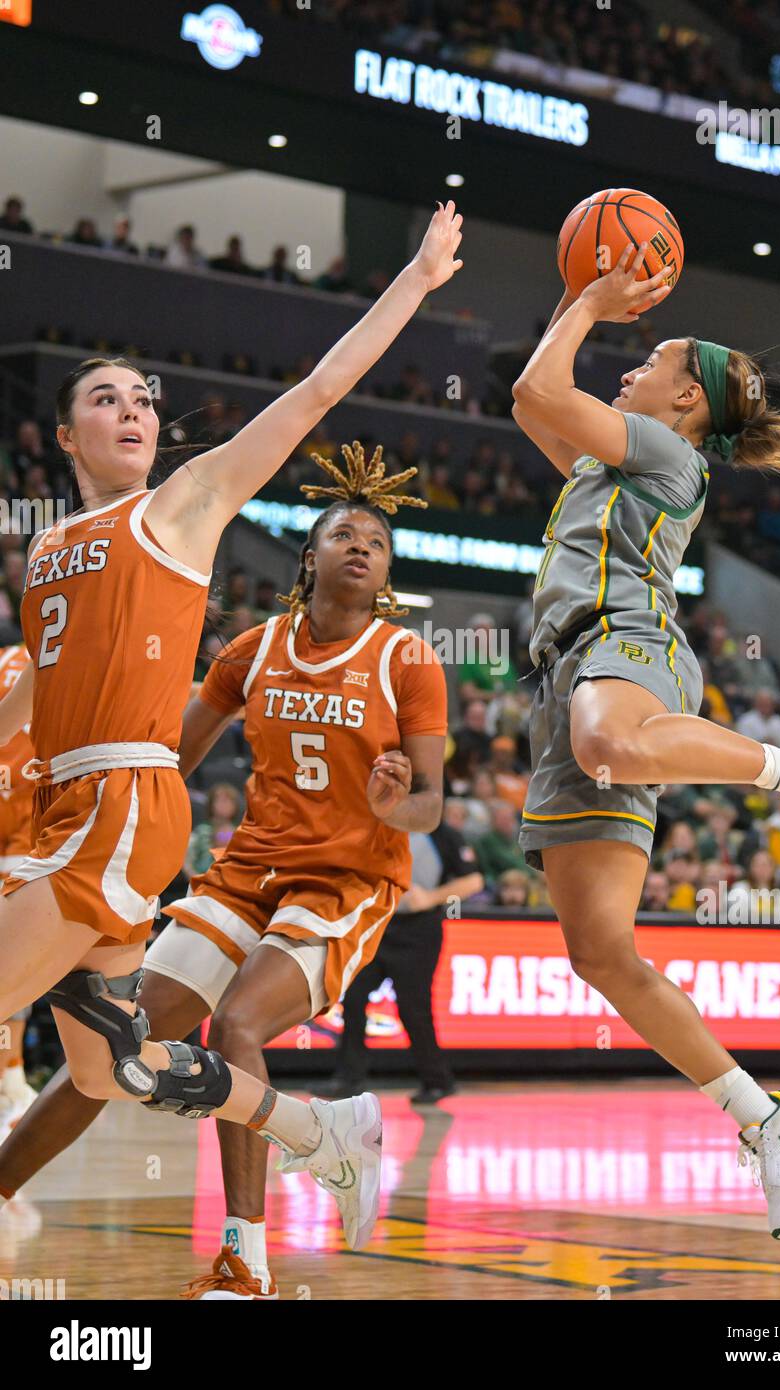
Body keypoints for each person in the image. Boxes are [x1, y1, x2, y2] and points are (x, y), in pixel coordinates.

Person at [0, 202, 464, 1268]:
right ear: (64, 435)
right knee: (111, 1066)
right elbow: (34, 703)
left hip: (126, 807)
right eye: (102, 399)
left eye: (143, 400)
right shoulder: (48, 551)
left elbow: (316, 391)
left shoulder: (184, 503)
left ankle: (247, 1244)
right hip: (75, 808)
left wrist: (416, 282)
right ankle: (316, 1127)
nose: (132, 410)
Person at [510, 241, 780, 1240]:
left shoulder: (666, 454)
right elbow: (528, 401)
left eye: (651, 361)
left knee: (611, 745)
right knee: (599, 951)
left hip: (625, 648)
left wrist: (587, 298)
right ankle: (766, 1117)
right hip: (561, 681)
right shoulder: (613, 455)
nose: (628, 368)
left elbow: (535, 379)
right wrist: (571, 291)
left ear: (685, 400)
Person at [320, 818, 481, 1107]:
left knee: (413, 1007)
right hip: (378, 926)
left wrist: (433, 897)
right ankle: (349, 1077)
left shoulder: (443, 834)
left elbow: (473, 881)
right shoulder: (378, 827)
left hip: (419, 931)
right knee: (354, 996)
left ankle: (438, 1080)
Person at [0, 644, 38, 1126]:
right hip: (31, 835)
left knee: (17, 969)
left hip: (28, 836)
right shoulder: (70, 656)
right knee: (17, 968)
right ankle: (12, 1077)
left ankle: (12, 1076)